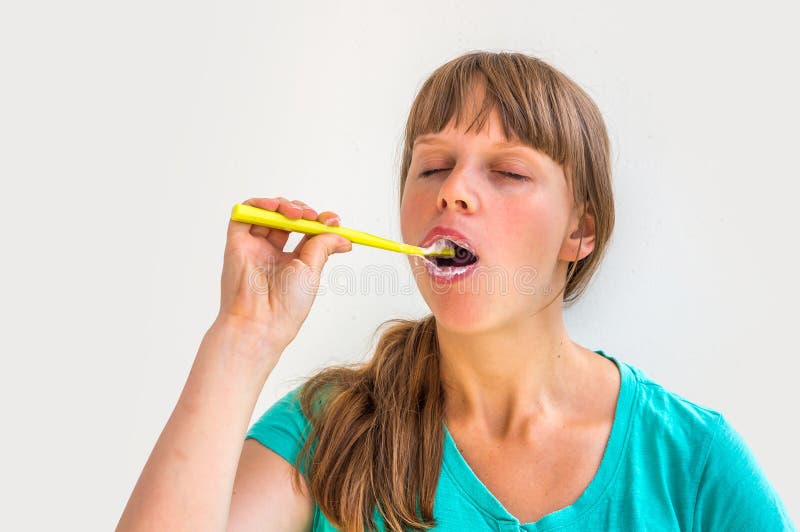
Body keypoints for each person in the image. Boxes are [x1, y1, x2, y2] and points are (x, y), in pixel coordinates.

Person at [117, 51, 795, 531]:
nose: (452, 189)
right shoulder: (326, 435)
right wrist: (242, 334)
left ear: (580, 230)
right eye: (433, 165)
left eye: (507, 172)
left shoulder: (692, 462)